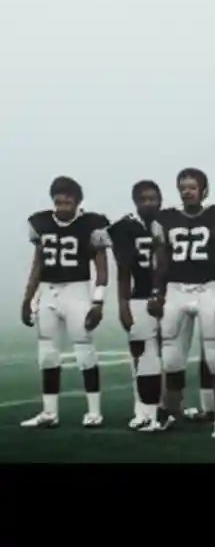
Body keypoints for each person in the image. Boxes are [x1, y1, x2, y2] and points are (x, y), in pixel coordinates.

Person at [148, 168, 215, 437]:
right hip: (176, 288)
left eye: (192, 187)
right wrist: (157, 292)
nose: (187, 191)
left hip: (209, 288)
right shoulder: (166, 219)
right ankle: (170, 412)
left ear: (203, 190)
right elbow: (161, 261)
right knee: (171, 356)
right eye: (183, 187)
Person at [20, 177, 112, 429]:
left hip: (77, 291)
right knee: (47, 354)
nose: (62, 206)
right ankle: (49, 412)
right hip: (48, 292)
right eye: (58, 201)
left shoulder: (91, 224)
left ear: (78, 201)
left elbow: (102, 268)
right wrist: (28, 297)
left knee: (84, 350)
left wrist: (98, 301)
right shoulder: (41, 222)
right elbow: (38, 264)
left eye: (67, 201)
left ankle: (94, 411)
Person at [108, 180, 165, 431]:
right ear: (135, 201)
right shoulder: (125, 228)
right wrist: (122, 304)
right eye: (143, 199)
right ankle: (142, 408)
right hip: (139, 295)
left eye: (153, 198)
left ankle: (159, 407)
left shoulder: (169, 222)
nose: (148, 203)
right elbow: (123, 270)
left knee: (164, 354)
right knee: (140, 353)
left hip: (167, 295)